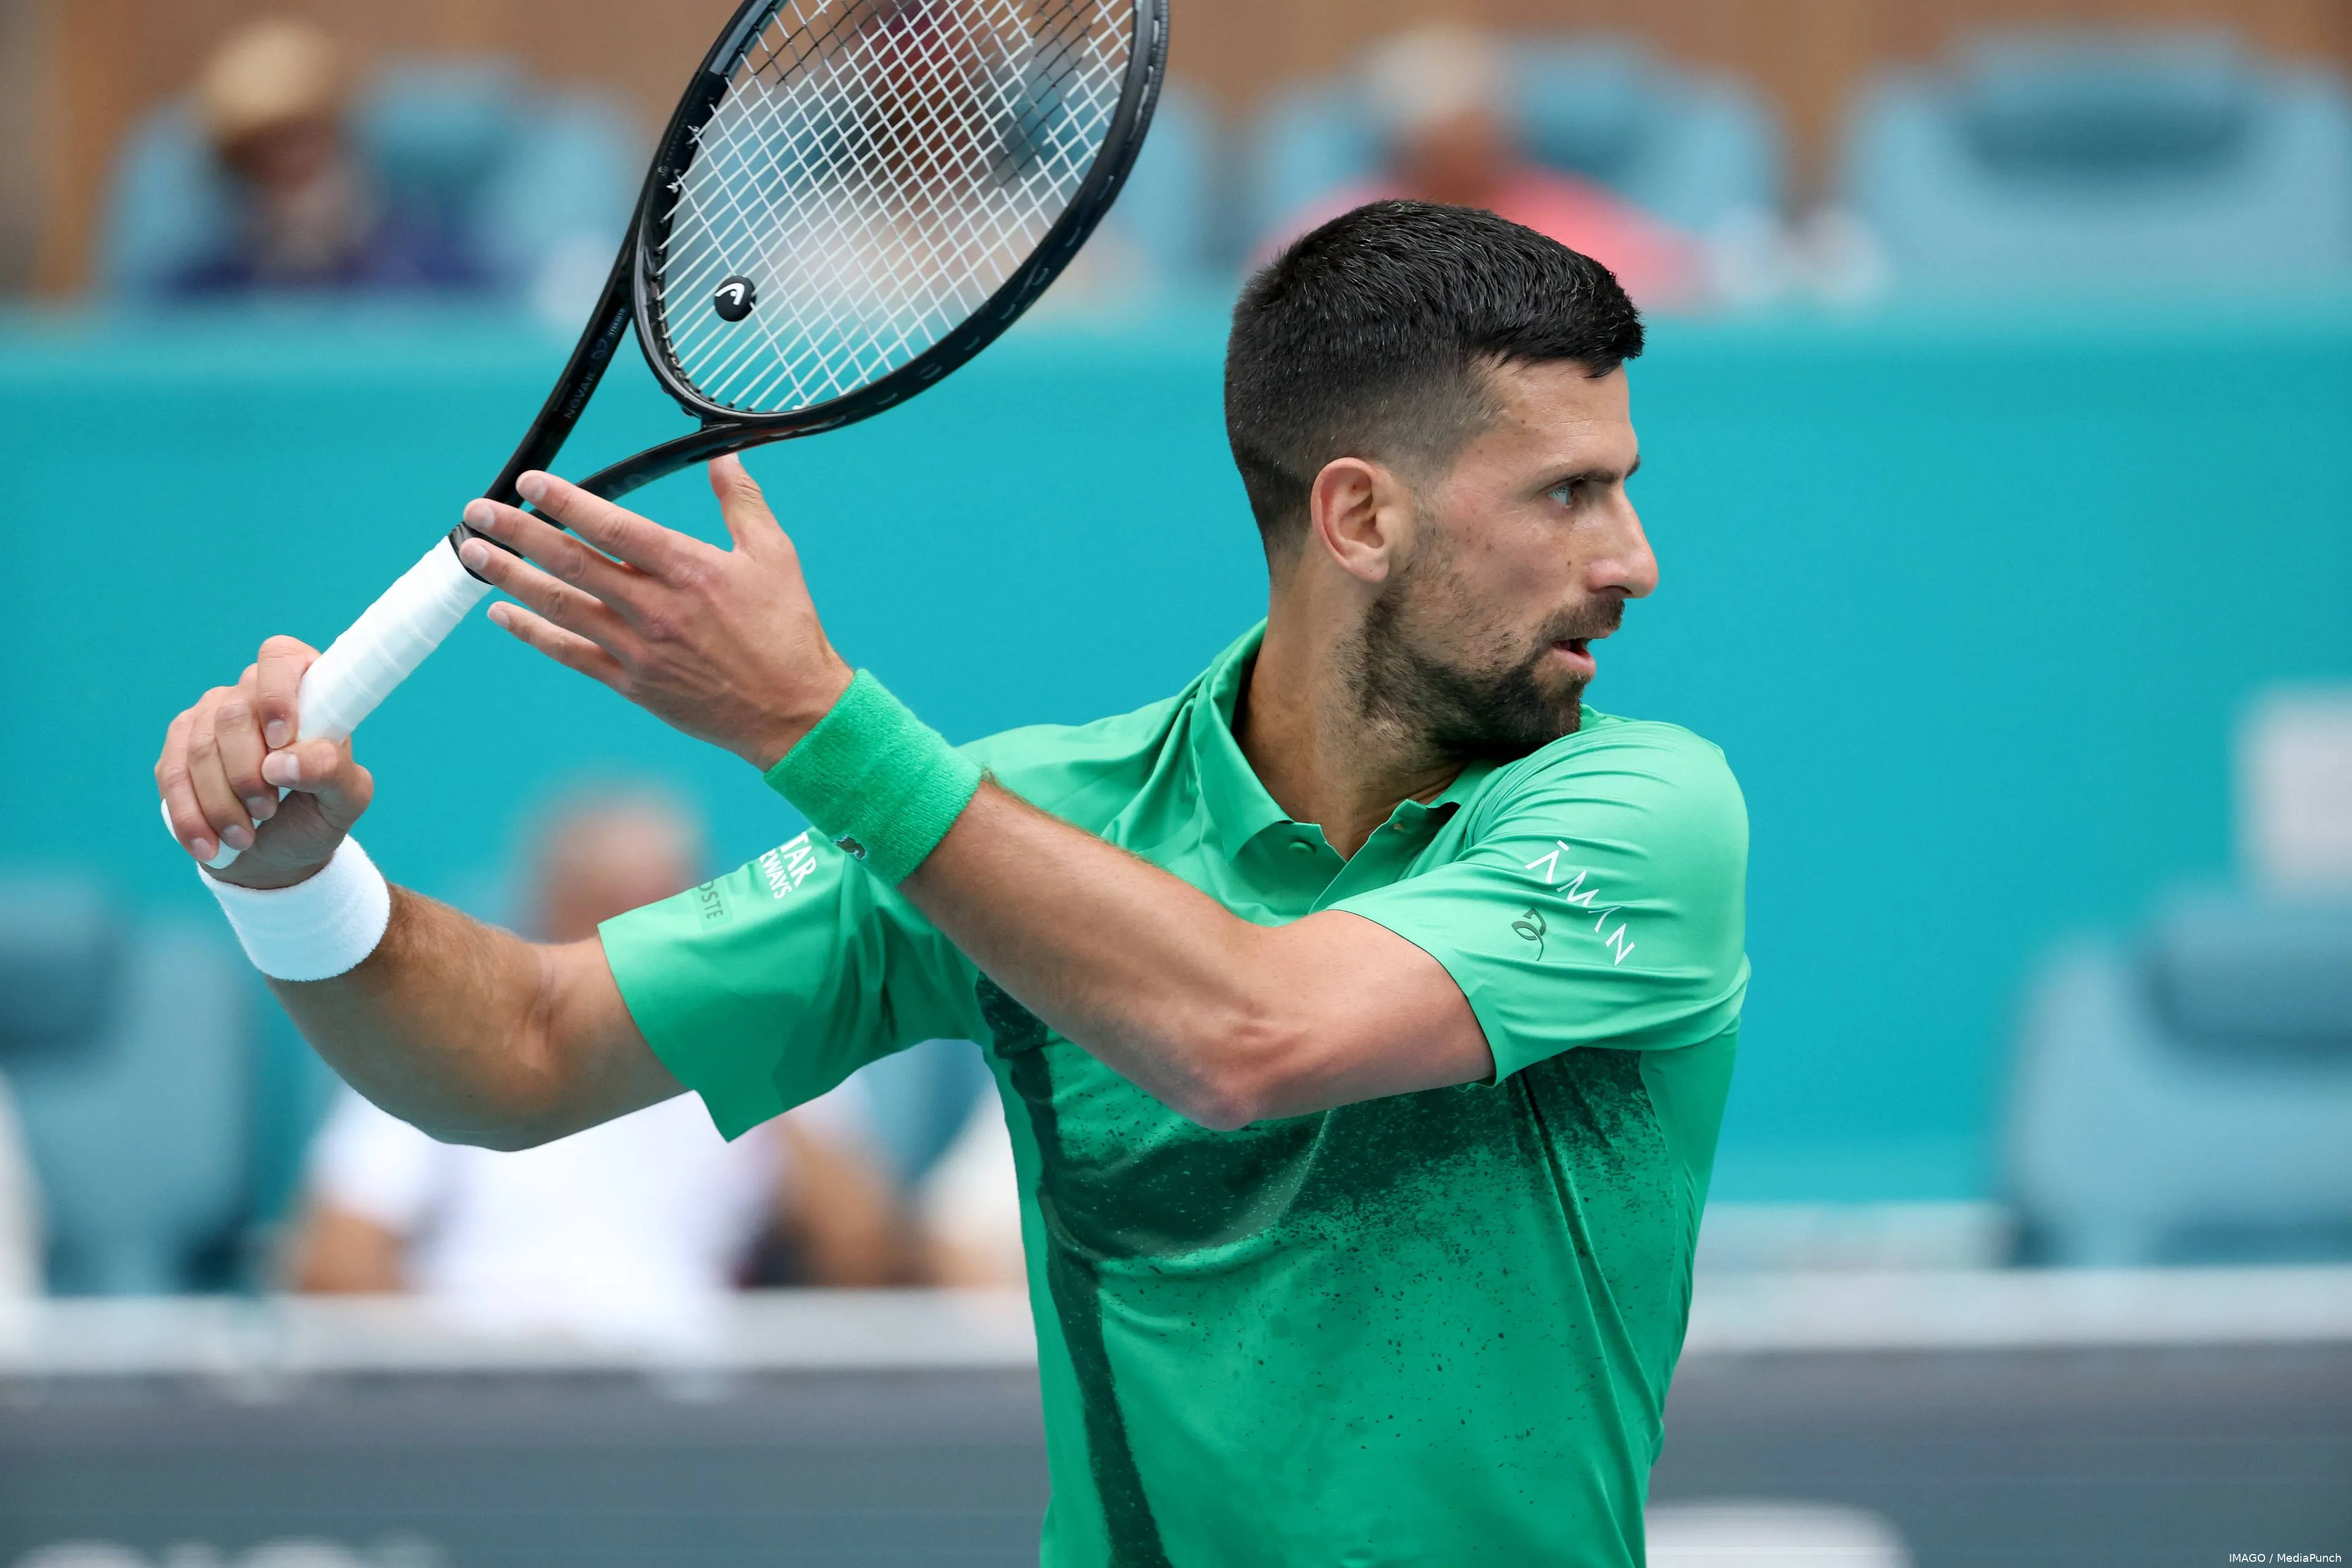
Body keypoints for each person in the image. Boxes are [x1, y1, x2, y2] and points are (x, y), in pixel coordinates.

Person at [159, 202, 1747, 1564]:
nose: (1639, 557)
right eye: (1567, 493)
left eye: (1621, 483)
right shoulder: (1017, 824)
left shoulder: (1642, 813)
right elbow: (517, 1053)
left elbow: (1248, 1037)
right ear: (1360, 516)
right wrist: (296, 884)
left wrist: (813, 724)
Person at [285, 788, 904, 1347]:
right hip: (474, 1395)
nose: (643, 939)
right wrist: (450, 1376)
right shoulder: (446, 1034)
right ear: (550, 912)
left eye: (667, 908)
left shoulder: (771, 1038)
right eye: (609, 908)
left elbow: (862, 1256)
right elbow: (337, 1260)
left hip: (683, 1399)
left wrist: (764, 1056)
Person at [1257, 27, 1703, 310]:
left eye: (1489, 123)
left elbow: (1673, 290)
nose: (1480, 142)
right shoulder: (1335, 230)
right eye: (1457, 128)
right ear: (1407, 143)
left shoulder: (1569, 215)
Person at [170, 18, 482, 298]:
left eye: (299, 139)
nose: (285, 165)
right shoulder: (205, 295)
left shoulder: (431, 269)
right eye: (256, 155)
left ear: (343, 134)